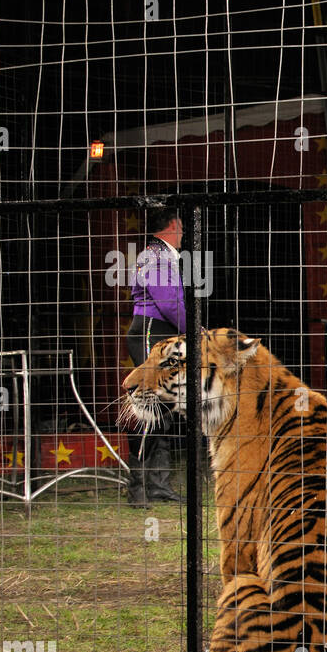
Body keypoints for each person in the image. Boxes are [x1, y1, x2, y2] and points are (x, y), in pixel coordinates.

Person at [125, 207, 187, 506]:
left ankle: (158, 483)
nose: (184, 232)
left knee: (164, 409)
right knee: (148, 407)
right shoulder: (156, 255)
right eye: (182, 226)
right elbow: (169, 303)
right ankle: (137, 487)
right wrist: (194, 329)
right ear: (172, 226)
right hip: (151, 331)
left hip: (161, 332)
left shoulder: (160, 255)